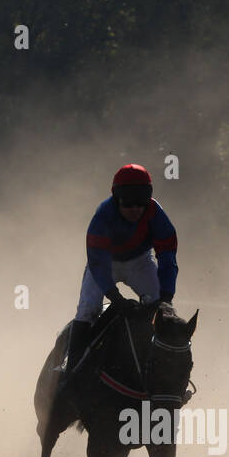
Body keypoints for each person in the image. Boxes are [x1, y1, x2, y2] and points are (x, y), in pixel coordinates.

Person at [59, 163, 178, 391]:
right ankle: (70, 372)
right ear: (116, 199)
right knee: (87, 309)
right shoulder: (102, 217)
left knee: (164, 309)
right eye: (128, 203)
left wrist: (166, 295)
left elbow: (167, 257)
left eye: (140, 203)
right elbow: (97, 263)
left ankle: (171, 376)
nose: (134, 209)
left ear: (149, 199)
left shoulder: (157, 214)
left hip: (140, 262)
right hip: (106, 264)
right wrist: (115, 298)